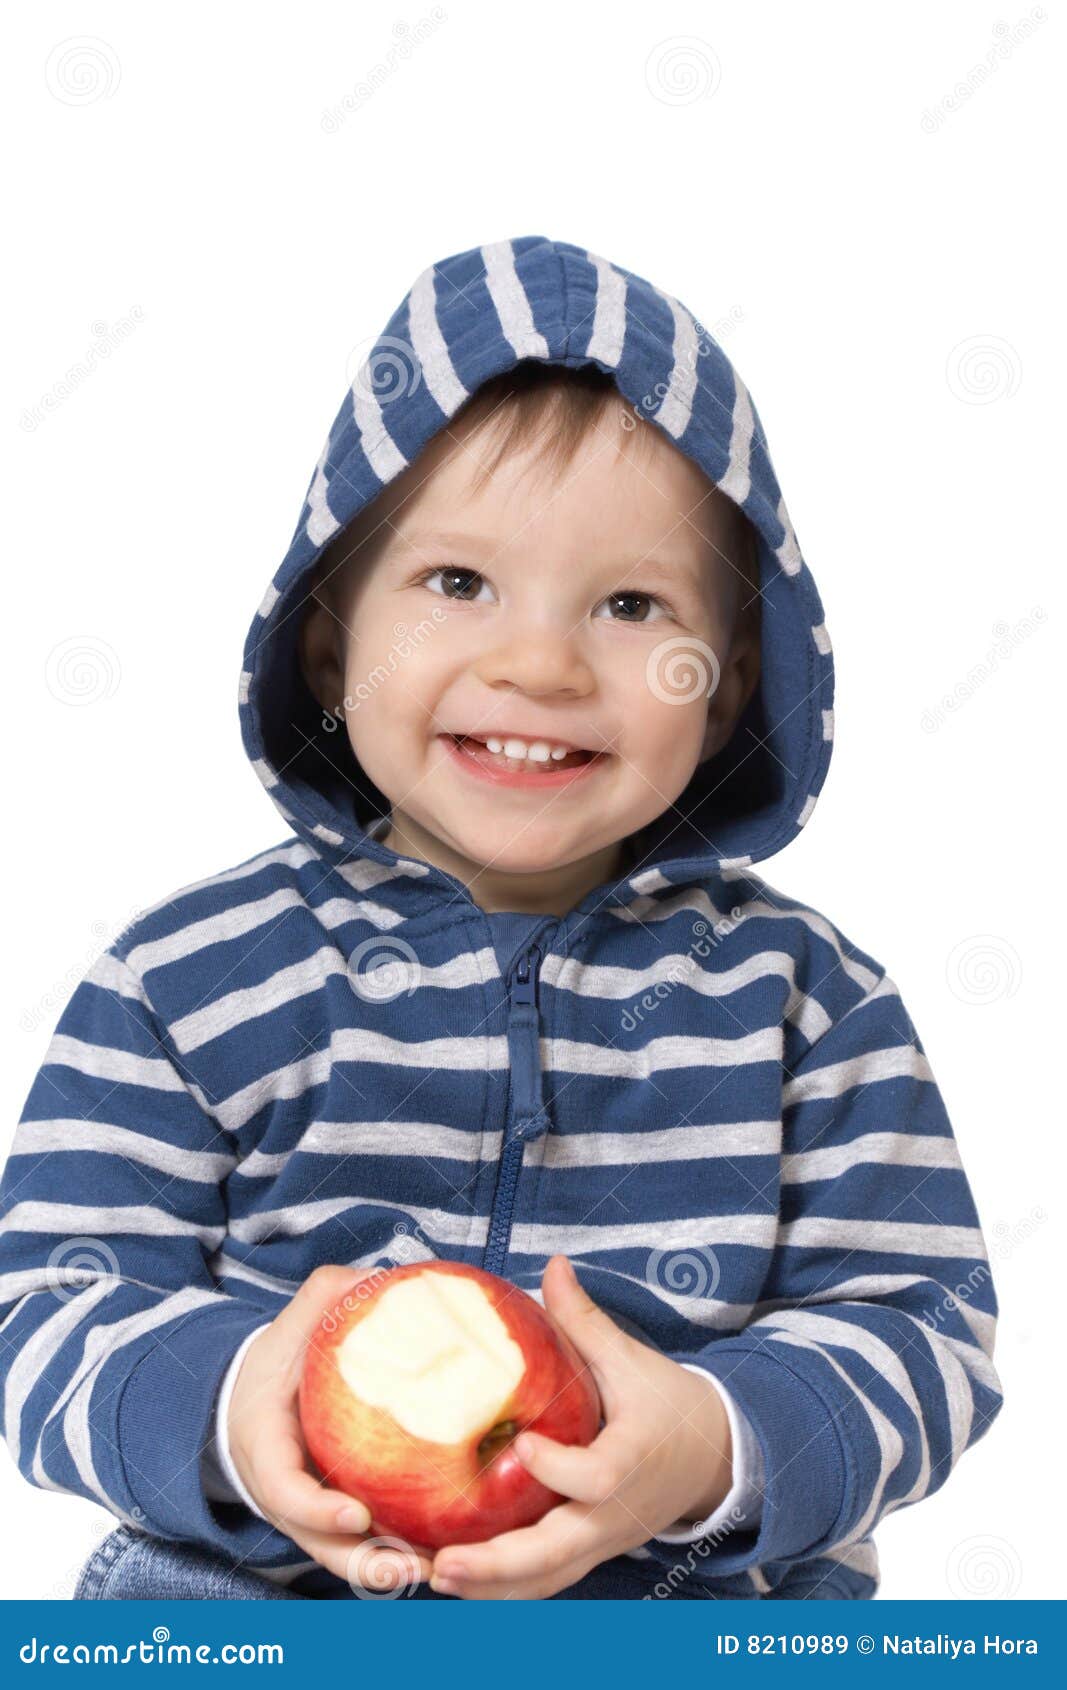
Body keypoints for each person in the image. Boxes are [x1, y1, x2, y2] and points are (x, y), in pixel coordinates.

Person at [0, 236, 1002, 1602]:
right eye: (456, 583)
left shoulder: (806, 1004)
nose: (538, 662)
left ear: (728, 676)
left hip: (680, 1610)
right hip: (269, 1603)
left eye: (634, 603)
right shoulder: (182, 983)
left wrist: (713, 1446)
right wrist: (237, 1410)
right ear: (328, 636)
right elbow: (47, 1312)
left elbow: (928, 1332)